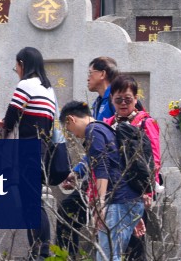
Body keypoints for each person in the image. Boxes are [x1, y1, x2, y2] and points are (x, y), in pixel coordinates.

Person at [60, 101, 145, 261]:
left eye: (68, 129)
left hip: (118, 201)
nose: (73, 135)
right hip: (127, 200)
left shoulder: (93, 131)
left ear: (71, 119)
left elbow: (102, 167)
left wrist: (100, 203)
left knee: (107, 256)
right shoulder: (104, 129)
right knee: (112, 255)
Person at [0, 47, 58, 261]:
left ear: (23, 63)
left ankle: (39, 251)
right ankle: (39, 250)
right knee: (35, 200)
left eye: (17, 65)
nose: (16, 70)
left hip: (25, 148)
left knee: (30, 202)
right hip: (41, 149)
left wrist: (3, 128)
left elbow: (12, 115)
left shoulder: (25, 85)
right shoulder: (49, 89)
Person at [57, 57, 118, 256]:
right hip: (101, 175)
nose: (87, 78)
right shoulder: (98, 103)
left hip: (113, 176)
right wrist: (77, 171)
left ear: (103, 74)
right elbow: (95, 151)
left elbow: (103, 158)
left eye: (90, 73)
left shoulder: (117, 100)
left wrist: (100, 199)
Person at [104, 75, 161, 261]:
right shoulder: (108, 125)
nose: (123, 103)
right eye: (118, 99)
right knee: (114, 243)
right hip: (115, 191)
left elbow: (154, 158)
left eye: (127, 99)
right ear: (111, 99)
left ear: (135, 99)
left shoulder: (145, 123)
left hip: (138, 190)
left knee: (135, 244)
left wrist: (147, 190)